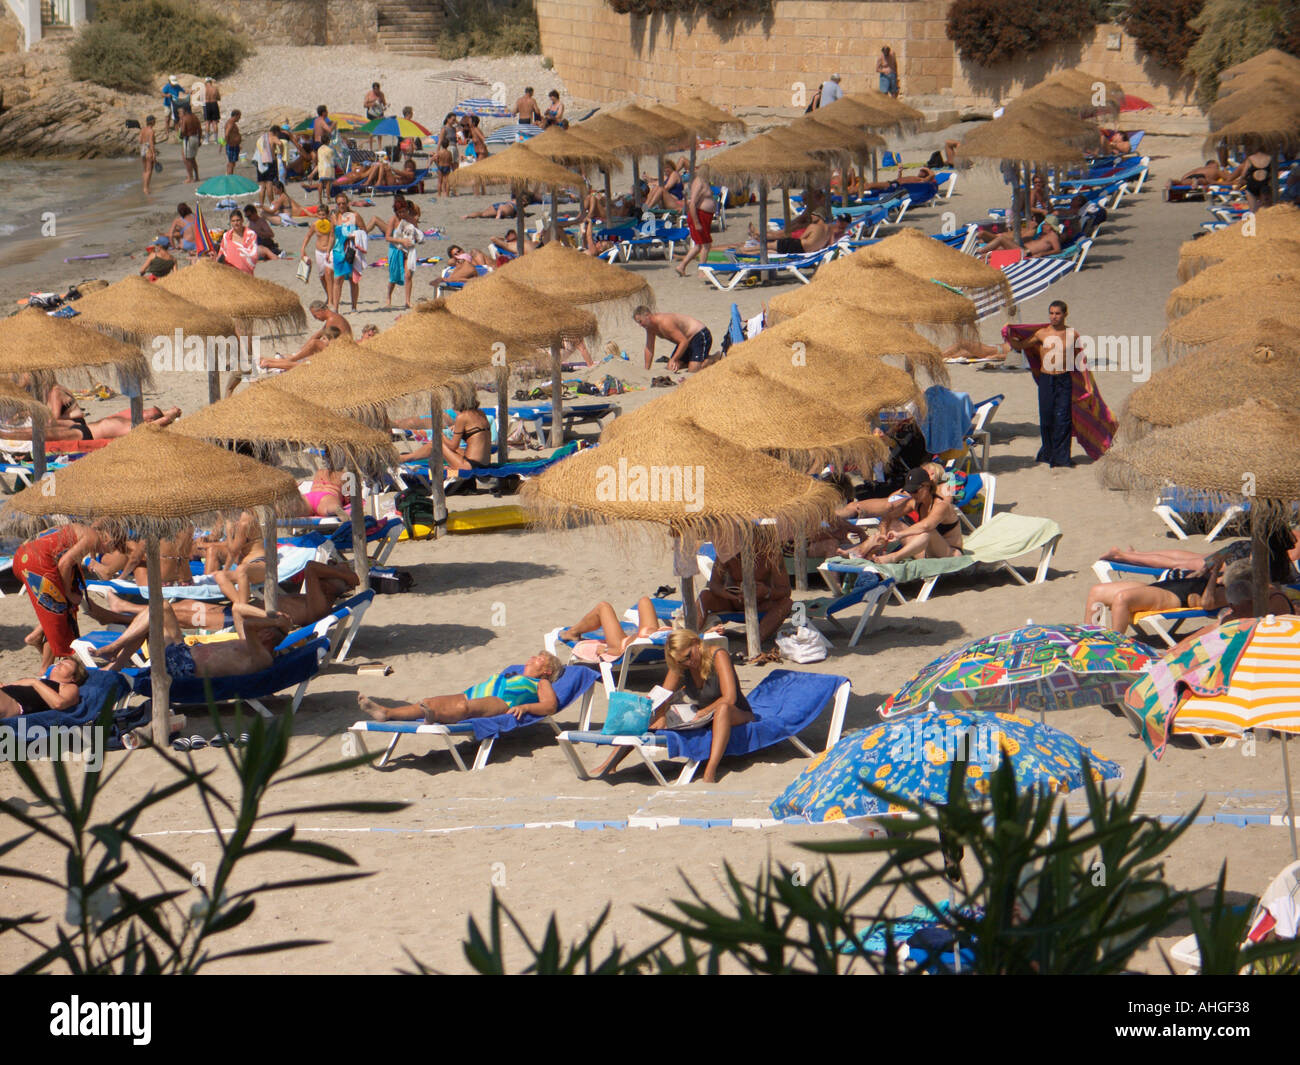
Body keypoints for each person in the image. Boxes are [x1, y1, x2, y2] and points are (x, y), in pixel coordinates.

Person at [593, 630, 754, 784]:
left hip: (737, 713)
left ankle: (710, 771)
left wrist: (704, 712)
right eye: (682, 661)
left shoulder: (718, 655)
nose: (688, 662)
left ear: (696, 642)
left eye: (689, 656)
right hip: (704, 717)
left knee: (722, 710)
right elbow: (664, 694)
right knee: (649, 711)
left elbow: (730, 697)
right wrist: (661, 715)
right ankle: (611, 762)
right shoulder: (682, 663)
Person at [12, 524, 117, 669]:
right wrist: (68, 594)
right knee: (60, 615)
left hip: (21, 557)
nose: (111, 551)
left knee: (57, 614)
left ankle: (36, 635)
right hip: (37, 561)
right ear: (108, 538)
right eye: (114, 547)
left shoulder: (83, 529)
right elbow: (65, 563)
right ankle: (45, 669)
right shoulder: (93, 538)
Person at [95, 601, 293, 677]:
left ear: (267, 634)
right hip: (182, 651)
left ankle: (115, 652)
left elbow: (249, 624)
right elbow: (238, 608)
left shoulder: (263, 657)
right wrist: (275, 616)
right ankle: (116, 658)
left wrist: (275, 623)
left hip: (182, 667)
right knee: (160, 606)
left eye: (264, 628)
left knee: (155, 614)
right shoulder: (248, 643)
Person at [356, 652, 563, 724]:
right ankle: (387, 712)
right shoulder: (513, 674)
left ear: (546, 670)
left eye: (539, 659)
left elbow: (550, 706)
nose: (532, 658)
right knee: (428, 701)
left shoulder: (541, 683)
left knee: (464, 709)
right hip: (475, 693)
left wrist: (526, 708)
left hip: (502, 700)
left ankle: (434, 717)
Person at [853, 467, 963, 563]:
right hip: (926, 553)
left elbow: (926, 525)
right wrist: (883, 533)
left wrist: (900, 535)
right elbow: (888, 516)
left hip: (950, 554)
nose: (912, 494)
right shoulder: (915, 503)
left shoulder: (941, 505)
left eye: (915, 491)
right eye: (910, 491)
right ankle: (863, 553)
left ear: (927, 486)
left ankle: (894, 557)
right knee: (893, 523)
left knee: (928, 531)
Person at [699, 549, 793, 647]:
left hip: (761, 604)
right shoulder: (727, 551)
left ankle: (756, 641)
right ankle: (691, 637)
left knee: (787, 603)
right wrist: (728, 594)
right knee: (705, 595)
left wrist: (767, 592)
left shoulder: (771, 553)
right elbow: (714, 584)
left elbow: (785, 591)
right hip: (733, 602)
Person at [1032, 300, 1077, 469]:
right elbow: (1021, 345)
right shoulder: (1041, 334)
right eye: (1051, 313)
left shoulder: (1073, 334)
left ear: (1065, 314)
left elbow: (1080, 360)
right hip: (1046, 379)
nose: (1054, 316)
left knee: (1064, 419)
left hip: (1064, 379)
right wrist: (1008, 331)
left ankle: (1063, 458)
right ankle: (1049, 453)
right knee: (1047, 418)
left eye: (1057, 313)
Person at [402, 394, 491, 469]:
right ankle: (408, 457)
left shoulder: (463, 417)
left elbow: (453, 446)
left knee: (436, 444)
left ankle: (405, 458)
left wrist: (440, 435)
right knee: (444, 447)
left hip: (469, 465)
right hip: (484, 464)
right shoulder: (480, 413)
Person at [0, 658, 87, 719]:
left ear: (74, 678)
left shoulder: (69, 687)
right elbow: (9, 686)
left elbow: (59, 704)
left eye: (66, 665)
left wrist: (34, 682)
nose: (60, 664)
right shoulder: (40, 681)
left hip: (15, 705)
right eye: (60, 662)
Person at [635, 306, 713, 372]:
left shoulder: (665, 322)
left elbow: (683, 342)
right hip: (685, 341)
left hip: (698, 335)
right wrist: (646, 370)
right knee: (670, 368)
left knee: (693, 370)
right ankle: (694, 361)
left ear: (647, 316)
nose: (639, 325)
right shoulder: (649, 327)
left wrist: (673, 359)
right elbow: (649, 347)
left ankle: (714, 358)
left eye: (640, 321)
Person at [380, 200, 422, 308]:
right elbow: (387, 237)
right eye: (399, 212)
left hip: (408, 250)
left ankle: (407, 301)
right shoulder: (393, 220)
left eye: (404, 211)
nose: (402, 214)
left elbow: (417, 233)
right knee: (393, 277)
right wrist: (401, 241)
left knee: (408, 275)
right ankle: (388, 297)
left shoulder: (411, 220)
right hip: (395, 249)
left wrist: (416, 239)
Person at [218, 210, 275, 275]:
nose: (236, 223)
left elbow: (252, 254)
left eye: (238, 220)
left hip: (246, 270)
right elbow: (222, 252)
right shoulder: (227, 236)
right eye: (233, 221)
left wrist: (238, 255)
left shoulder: (251, 234)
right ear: (230, 222)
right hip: (230, 270)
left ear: (242, 220)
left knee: (263, 249)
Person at [300, 220, 337, 301]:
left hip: (330, 251)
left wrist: (328, 251)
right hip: (319, 252)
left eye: (324, 215)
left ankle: (331, 299)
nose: (322, 217)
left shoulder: (331, 225)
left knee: (329, 274)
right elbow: (308, 236)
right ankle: (329, 295)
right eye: (320, 215)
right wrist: (303, 248)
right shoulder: (315, 225)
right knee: (322, 276)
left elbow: (333, 237)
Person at [252, 127, 280, 207]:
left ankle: (261, 204)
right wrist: (280, 151)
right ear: (276, 132)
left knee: (262, 186)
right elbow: (280, 143)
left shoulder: (261, 138)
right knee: (269, 184)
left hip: (260, 163)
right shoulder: (273, 137)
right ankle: (272, 204)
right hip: (269, 163)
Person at [177, 104, 202, 183]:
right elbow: (200, 129)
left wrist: (181, 136)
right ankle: (197, 176)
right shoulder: (195, 117)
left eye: (181, 112)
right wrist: (199, 139)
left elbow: (184, 130)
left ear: (185, 111)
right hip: (195, 138)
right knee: (193, 159)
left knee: (187, 159)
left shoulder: (185, 118)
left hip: (189, 139)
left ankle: (190, 178)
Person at [139, 114, 158, 194]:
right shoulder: (151, 131)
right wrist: (154, 153)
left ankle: (145, 187)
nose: (155, 121)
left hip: (143, 148)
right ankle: (146, 189)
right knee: (149, 170)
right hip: (148, 149)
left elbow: (139, 140)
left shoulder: (143, 130)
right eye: (154, 120)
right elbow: (151, 143)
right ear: (152, 121)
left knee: (145, 170)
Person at [222, 109, 242, 175]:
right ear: (235, 116)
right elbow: (227, 134)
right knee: (231, 163)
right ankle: (230, 177)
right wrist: (224, 144)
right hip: (232, 146)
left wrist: (238, 144)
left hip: (234, 145)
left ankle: (228, 175)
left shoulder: (231, 123)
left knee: (232, 163)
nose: (240, 118)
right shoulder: (230, 123)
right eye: (239, 116)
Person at [202, 77, 221, 143]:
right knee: (215, 122)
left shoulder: (203, 89)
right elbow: (219, 97)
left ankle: (207, 140)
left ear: (205, 83)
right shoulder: (215, 89)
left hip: (206, 105)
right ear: (211, 82)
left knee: (207, 122)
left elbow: (200, 98)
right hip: (214, 104)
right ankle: (216, 140)